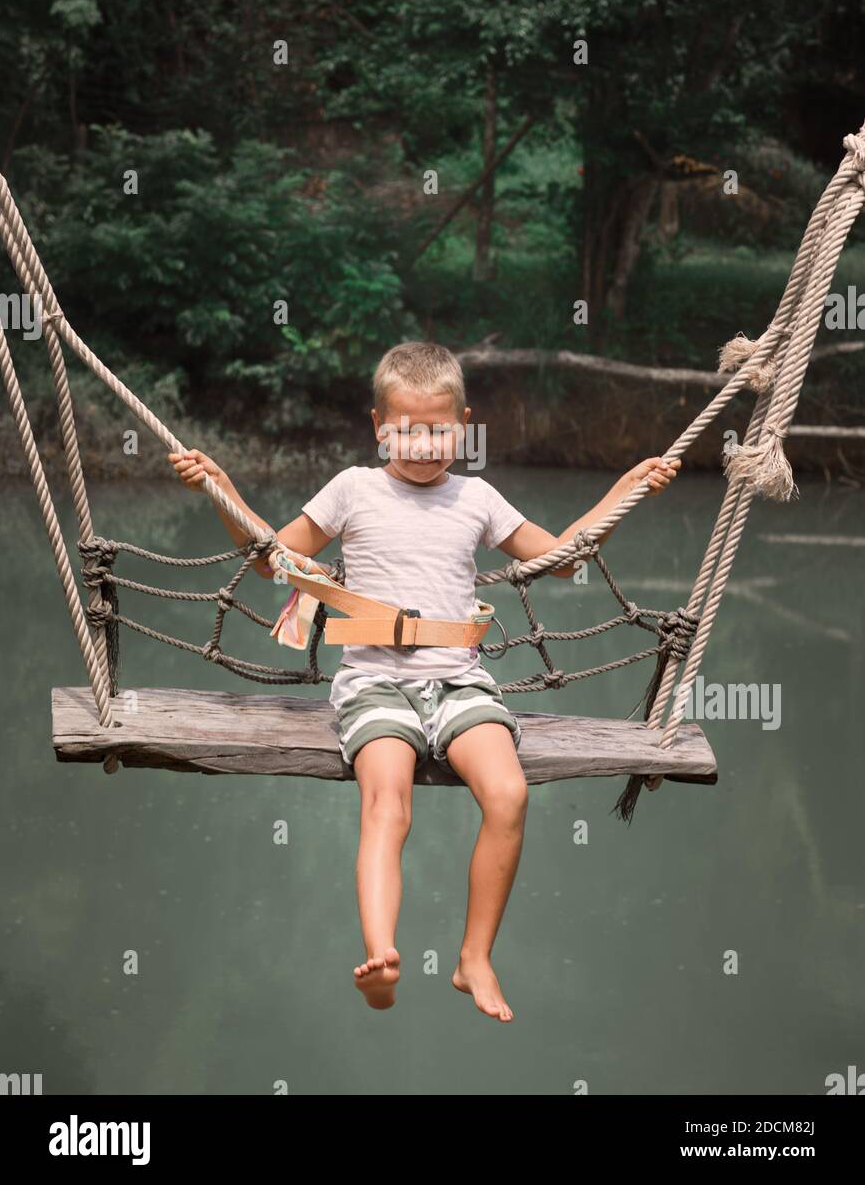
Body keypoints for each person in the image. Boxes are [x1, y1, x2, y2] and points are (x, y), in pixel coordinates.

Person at [169, 341, 679, 1021]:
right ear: (379, 424)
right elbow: (273, 560)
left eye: (438, 429)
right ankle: (381, 956)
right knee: (388, 802)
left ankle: (475, 958)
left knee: (508, 794)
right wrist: (222, 492)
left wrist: (626, 490)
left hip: (462, 685)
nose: (422, 443)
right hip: (374, 684)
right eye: (406, 429)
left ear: (463, 424)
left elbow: (560, 560)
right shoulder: (353, 489)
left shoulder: (476, 497)